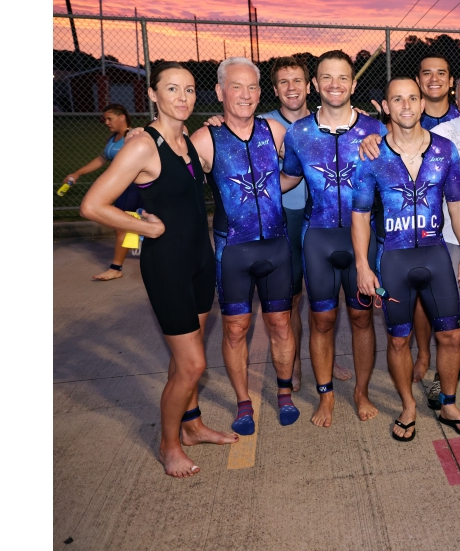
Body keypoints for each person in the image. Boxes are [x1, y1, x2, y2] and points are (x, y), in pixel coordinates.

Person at [79, 62, 237, 477]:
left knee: (186, 358)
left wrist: (217, 122)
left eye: (189, 89)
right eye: (172, 88)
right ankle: (169, 445)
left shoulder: (187, 139)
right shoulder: (142, 145)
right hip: (166, 265)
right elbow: (92, 205)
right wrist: (144, 227)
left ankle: (193, 426)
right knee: (193, 364)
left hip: (199, 261)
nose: (182, 97)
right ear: (153, 94)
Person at [364, 72, 460, 398]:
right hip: (444, 239)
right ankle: (438, 371)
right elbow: (404, 136)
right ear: (455, 101)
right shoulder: (444, 134)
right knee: (444, 315)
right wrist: (373, 137)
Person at [351, 76, 460, 441]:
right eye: (397, 99)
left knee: (450, 335)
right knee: (397, 340)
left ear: (423, 105)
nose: (406, 105)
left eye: (412, 98)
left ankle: (449, 404)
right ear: (385, 107)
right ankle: (408, 405)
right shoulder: (371, 155)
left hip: (435, 254)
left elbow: (457, 202)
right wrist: (362, 265)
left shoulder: (444, 149)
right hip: (393, 259)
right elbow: (360, 214)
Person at [189, 57, 298, 435]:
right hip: (233, 251)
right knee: (236, 329)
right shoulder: (206, 139)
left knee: (281, 323)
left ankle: (285, 393)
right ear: (220, 92)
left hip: (276, 248)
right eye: (237, 86)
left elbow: (304, 158)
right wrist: (145, 134)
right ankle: (243, 402)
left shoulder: (275, 131)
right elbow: (167, 164)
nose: (246, 94)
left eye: (252, 87)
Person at [279, 50, 387, 427]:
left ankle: (361, 392)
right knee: (322, 319)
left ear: (354, 84)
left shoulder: (376, 129)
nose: (335, 84)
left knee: (361, 317)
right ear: (315, 84)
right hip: (319, 238)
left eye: (342, 77)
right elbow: (289, 177)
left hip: (363, 238)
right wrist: (247, 188)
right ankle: (325, 395)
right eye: (326, 77)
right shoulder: (299, 132)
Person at [256, 57, 353, 390]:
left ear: (309, 85)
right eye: (283, 82)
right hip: (283, 216)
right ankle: (294, 362)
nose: (291, 88)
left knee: (325, 297)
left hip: (320, 220)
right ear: (274, 89)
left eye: (297, 80)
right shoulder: (263, 126)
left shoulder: (326, 120)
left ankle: (327, 358)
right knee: (293, 297)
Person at [409, 54, 460, 383]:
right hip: (419, 218)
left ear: (451, 81)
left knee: (459, 287)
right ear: (418, 80)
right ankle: (424, 354)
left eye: (441, 73)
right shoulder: (407, 115)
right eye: (426, 73)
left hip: (456, 211)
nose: (434, 79)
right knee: (419, 290)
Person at [64, 103, 144, 281]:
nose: (106, 122)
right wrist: (77, 173)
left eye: (110, 118)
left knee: (122, 225)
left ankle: (116, 268)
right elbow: (101, 159)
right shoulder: (114, 138)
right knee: (129, 224)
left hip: (133, 188)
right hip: (121, 188)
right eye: (105, 119)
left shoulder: (133, 136)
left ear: (122, 117)